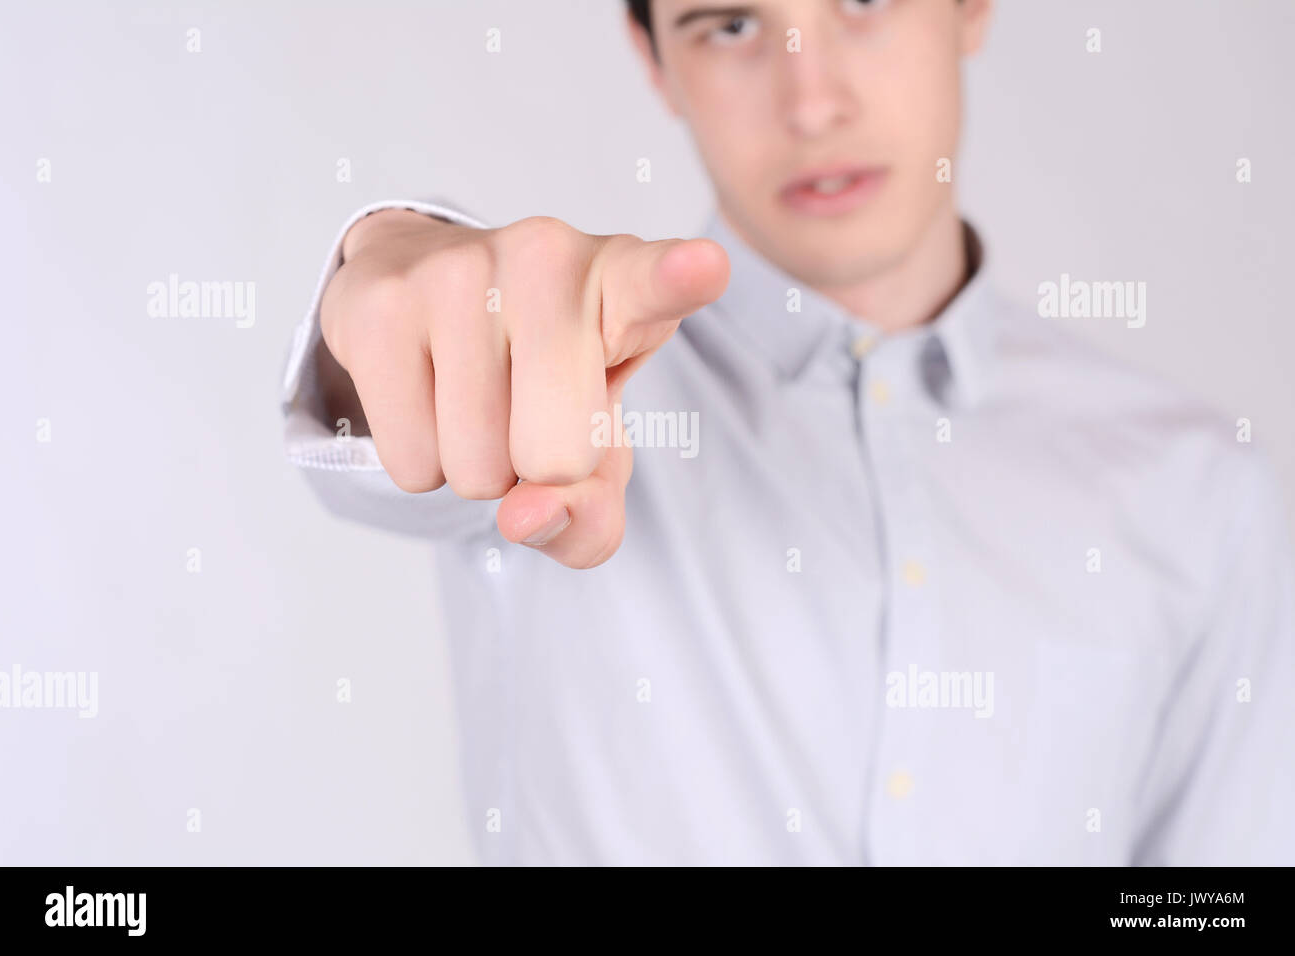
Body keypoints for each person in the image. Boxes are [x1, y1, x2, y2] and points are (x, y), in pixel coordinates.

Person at [279, 0, 1294, 865]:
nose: (811, 102)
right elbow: (406, 417)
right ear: (653, 62)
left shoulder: (1199, 489)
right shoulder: (556, 392)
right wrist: (393, 267)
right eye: (728, 24)